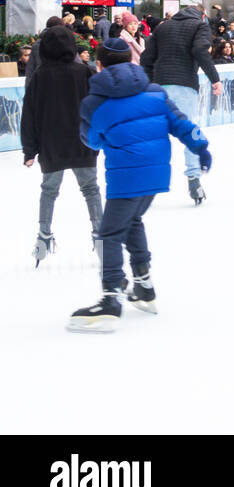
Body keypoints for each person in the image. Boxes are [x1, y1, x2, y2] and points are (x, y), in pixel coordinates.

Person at [68, 38, 212, 332]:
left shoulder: (94, 102)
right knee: (132, 221)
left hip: (125, 177)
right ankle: (144, 286)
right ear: (132, 60)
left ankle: (110, 298)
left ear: (99, 64)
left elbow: (91, 140)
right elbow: (181, 123)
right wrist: (201, 146)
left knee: (109, 234)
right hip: (156, 176)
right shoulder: (155, 92)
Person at [21, 24, 104, 267]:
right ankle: (99, 235)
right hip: (83, 141)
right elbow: (98, 108)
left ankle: (43, 235)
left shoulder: (40, 76)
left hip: (51, 144)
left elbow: (29, 115)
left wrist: (30, 149)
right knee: (90, 189)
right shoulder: (85, 73)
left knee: (49, 191)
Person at [140, 4, 222, 205]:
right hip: (184, 84)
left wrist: (151, 83)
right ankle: (194, 177)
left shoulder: (162, 27)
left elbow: (146, 59)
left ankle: (148, 177)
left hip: (160, 85)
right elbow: (200, 51)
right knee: (188, 129)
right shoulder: (199, 26)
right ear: (202, 15)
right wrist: (215, 78)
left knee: (157, 133)